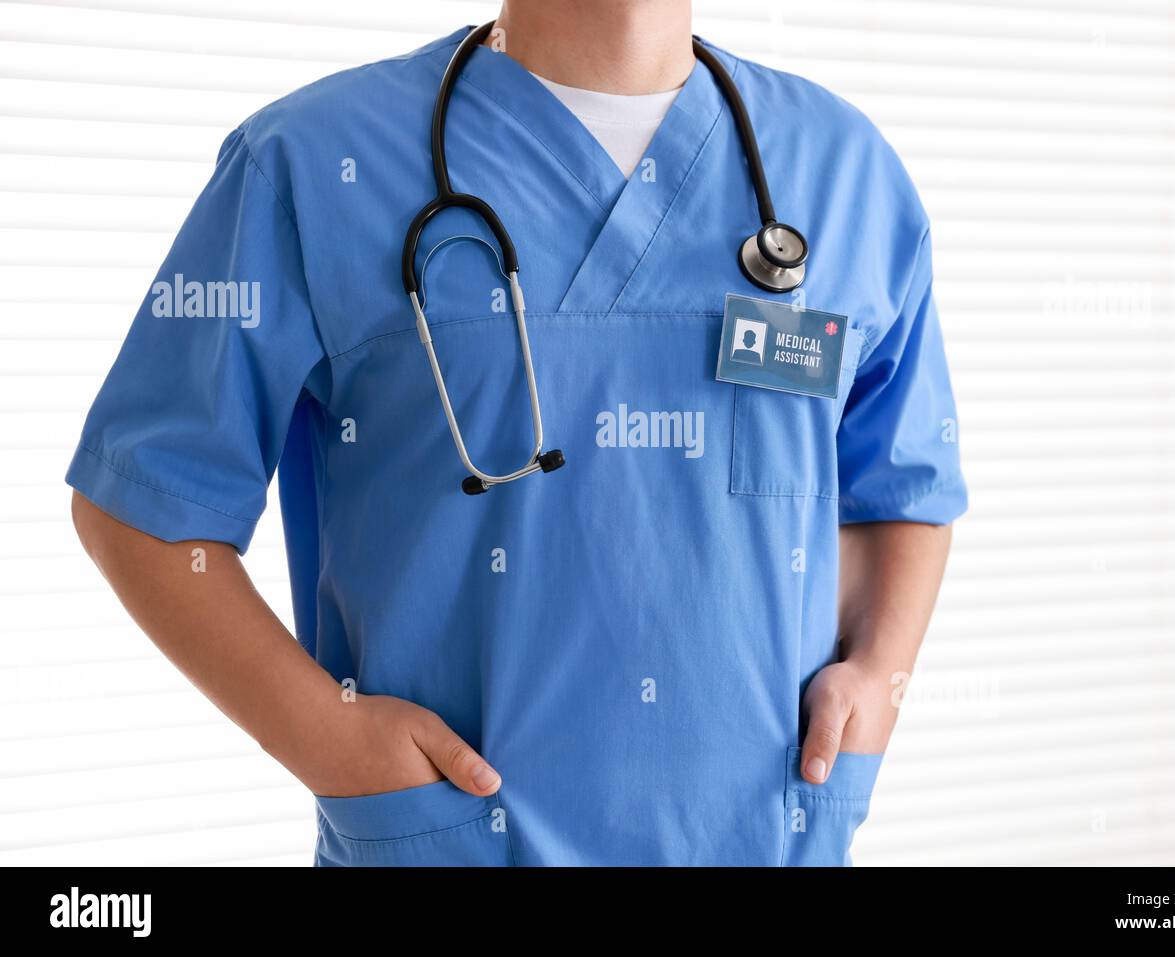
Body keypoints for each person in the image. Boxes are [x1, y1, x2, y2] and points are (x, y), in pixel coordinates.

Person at [67, 0, 966, 866]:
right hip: (453, 838)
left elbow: (902, 488)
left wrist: (880, 670)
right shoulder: (312, 161)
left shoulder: (845, 169)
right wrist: (330, 738)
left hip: (768, 837)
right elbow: (146, 501)